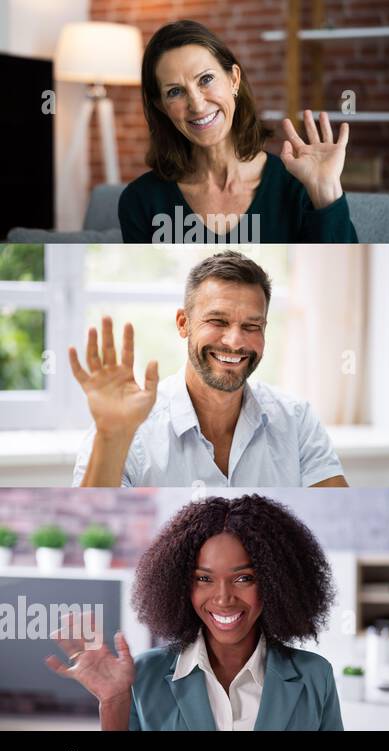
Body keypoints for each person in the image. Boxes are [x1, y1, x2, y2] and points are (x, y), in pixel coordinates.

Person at [46, 494, 343, 731]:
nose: (224, 598)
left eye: (244, 578)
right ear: (180, 585)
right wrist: (113, 701)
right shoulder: (143, 675)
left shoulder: (314, 676)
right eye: (204, 578)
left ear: (275, 582)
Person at [69, 250, 348, 487]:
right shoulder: (128, 427)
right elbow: (91, 531)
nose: (235, 341)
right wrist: (111, 438)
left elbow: (341, 522)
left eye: (251, 326)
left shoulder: (296, 421)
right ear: (183, 323)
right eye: (217, 321)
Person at [118, 19, 358, 243]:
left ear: (233, 79)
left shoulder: (298, 186)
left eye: (206, 79)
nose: (197, 104)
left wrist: (325, 192)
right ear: (162, 107)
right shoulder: (140, 200)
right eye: (175, 92)